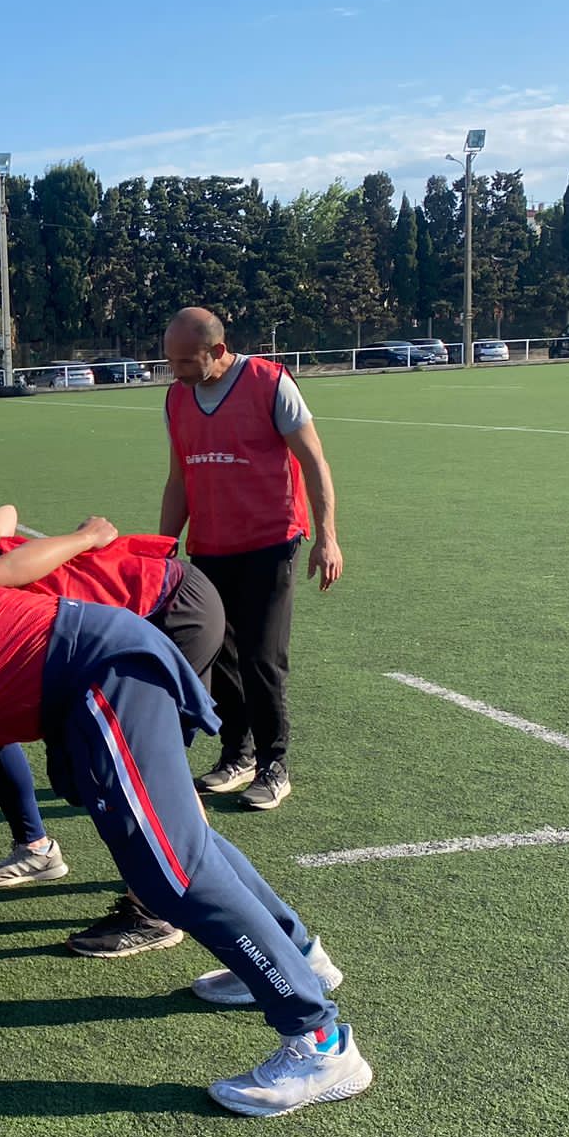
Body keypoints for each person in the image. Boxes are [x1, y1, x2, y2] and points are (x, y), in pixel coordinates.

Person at [0, 505, 368, 1122]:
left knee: (169, 868)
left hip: (102, 670)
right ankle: (298, 955)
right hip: (106, 653)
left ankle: (318, 1039)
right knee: (177, 841)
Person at [0, 515, 228, 959]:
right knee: (85, 770)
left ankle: (157, 911)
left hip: (167, 607)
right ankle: (39, 848)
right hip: (147, 612)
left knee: (145, 775)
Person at [161, 306, 342, 811]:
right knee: (219, 658)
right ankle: (236, 756)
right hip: (209, 547)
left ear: (217, 351)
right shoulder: (177, 398)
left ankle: (273, 765)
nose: (175, 372)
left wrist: (327, 535)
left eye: (184, 361)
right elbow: (179, 480)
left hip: (270, 543)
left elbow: (314, 461)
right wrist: (163, 548)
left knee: (263, 659)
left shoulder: (269, 383)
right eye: (169, 361)